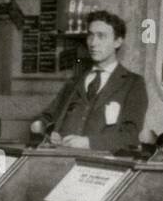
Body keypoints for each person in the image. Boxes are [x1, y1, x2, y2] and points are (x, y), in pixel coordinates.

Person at [31, 10, 147, 153]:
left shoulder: (133, 83)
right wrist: (47, 132)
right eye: (90, 35)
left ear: (117, 41)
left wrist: (89, 142)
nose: (93, 43)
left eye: (101, 36)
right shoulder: (75, 81)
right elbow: (45, 117)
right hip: (60, 159)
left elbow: (130, 137)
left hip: (100, 165)